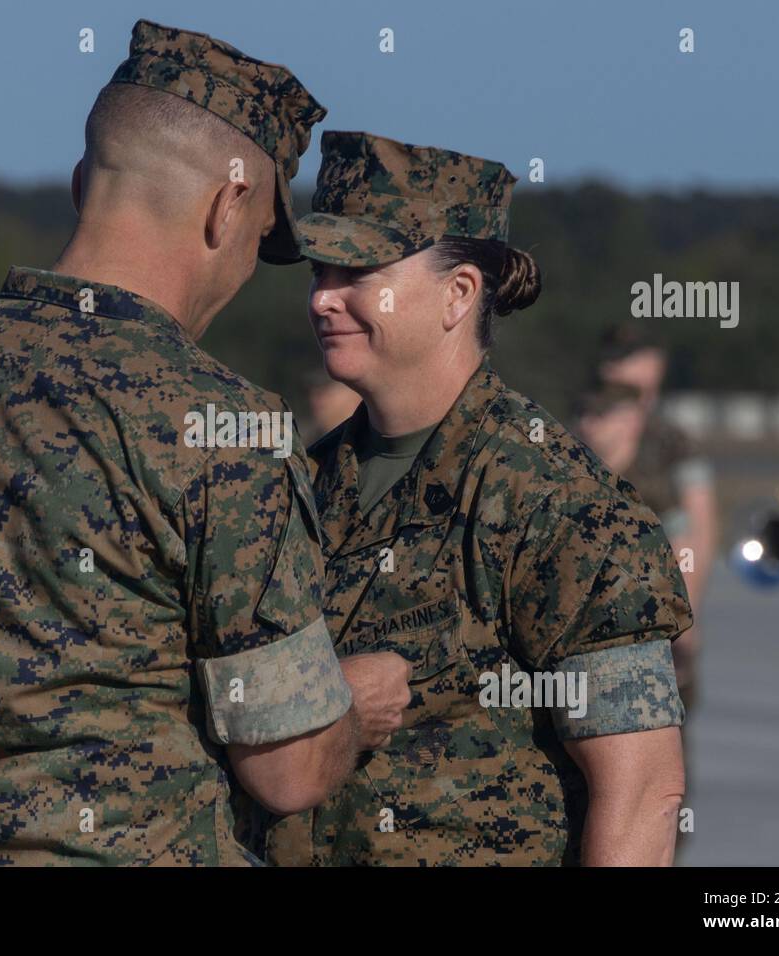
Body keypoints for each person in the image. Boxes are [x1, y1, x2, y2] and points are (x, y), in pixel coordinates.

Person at [0, 20, 410, 867]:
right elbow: (287, 769)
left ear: (79, 185)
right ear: (228, 206)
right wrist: (351, 706)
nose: (248, 270)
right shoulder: (222, 429)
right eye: (259, 239)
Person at [265, 132, 693, 866]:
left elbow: (642, 791)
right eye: (319, 271)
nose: (324, 297)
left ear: (459, 294)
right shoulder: (300, 484)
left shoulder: (557, 503)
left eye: (358, 271)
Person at [595, 324, 718, 713]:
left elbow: (700, 527)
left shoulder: (672, 441)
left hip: (661, 611)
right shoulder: (587, 426)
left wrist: (686, 613)